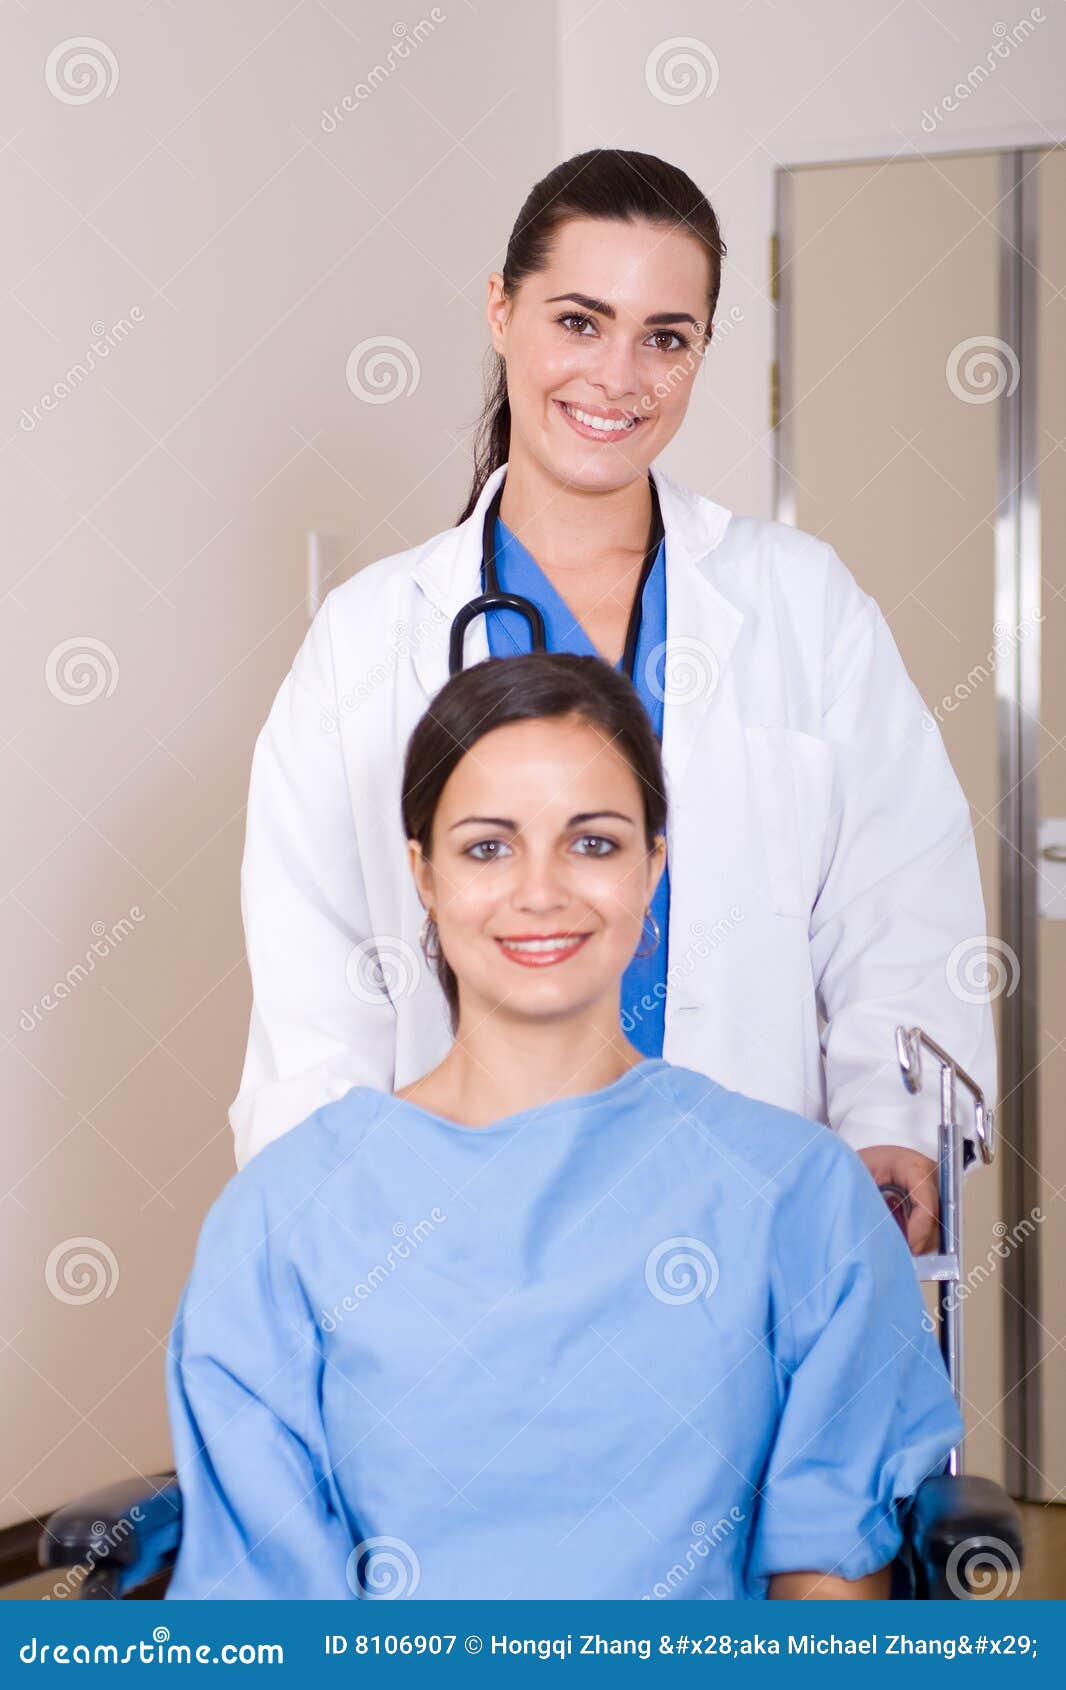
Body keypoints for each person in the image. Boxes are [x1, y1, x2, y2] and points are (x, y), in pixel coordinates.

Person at [229, 147, 997, 1253]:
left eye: (666, 337)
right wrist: (342, 1213)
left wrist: (892, 1121)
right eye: (580, 322)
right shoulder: (368, 636)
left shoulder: (796, 600)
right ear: (501, 312)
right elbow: (318, 972)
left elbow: (900, 893)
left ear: (700, 352)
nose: (619, 376)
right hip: (454, 1226)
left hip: (745, 1217)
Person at [165, 654, 962, 1601]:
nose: (540, 892)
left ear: (654, 864)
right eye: (487, 847)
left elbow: (826, 1587)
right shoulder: (286, 1216)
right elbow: (268, 1611)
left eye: (593, 843)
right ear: (421, 872)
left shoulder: (796, 1192)